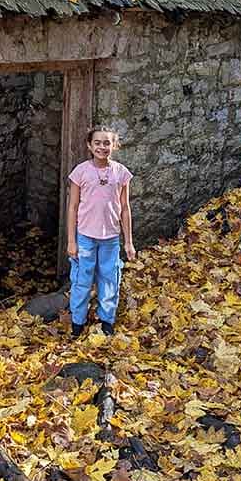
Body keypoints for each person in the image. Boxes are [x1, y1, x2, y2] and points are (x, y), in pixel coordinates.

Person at [66, 127, 136, 337]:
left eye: (107, 143)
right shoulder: (81, 172)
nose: (102, 147)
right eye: (97, 143)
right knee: (82, 280)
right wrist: (71, 240)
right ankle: (77, 324)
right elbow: (73, 207)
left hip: (111, 238)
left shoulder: (121, 173)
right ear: (89, 145)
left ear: (114, 146)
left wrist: (128, 242)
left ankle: (107, 321)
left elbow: (125, 208)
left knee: (109, 279)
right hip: (85, 237)